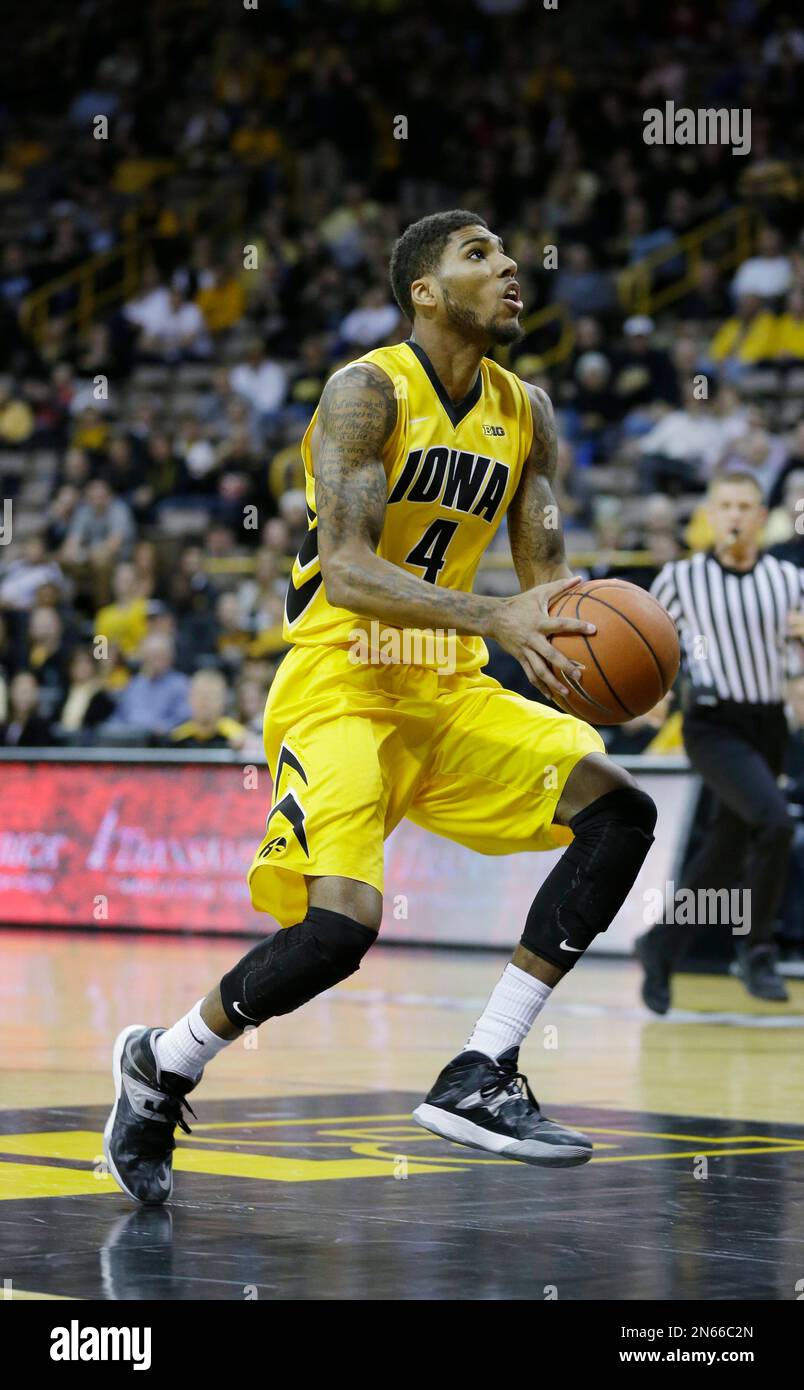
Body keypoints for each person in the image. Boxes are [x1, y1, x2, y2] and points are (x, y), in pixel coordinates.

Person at [104, 209, 658, 1204]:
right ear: (427, 292)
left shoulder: (526, 410)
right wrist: (497, 614)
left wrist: (594, 655)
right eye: (478, 255)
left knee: (621, 807)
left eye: (507, 253)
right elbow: (352, 571)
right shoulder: (368, 391)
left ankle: (480, 1069)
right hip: (340, 684)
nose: (509, 268)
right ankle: (165, 1060)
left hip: (448, 688)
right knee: (338, 934)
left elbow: (549, 583)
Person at [635, 469, 804, 1009]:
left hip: (769, 723)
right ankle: (754, 949)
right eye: (725, 505)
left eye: (744, 507)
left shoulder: (787, 580)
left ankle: (661, 945)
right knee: (774, 822)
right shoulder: (680, 579)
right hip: (712, 724)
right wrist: (651, 699)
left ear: (760, 517)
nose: (734, 515)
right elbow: (651, 646)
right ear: (710, 516)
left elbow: (795, 665)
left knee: (724, 853)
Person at [169, 669, 246, 749]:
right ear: (189, 698)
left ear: (224, 700)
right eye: (200, 695)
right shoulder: (177, 738)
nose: (205, 702)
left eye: (212, 696)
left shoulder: (237, 735)